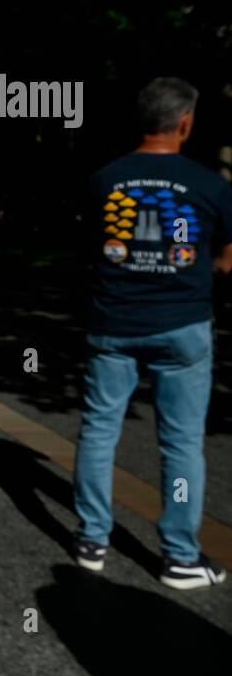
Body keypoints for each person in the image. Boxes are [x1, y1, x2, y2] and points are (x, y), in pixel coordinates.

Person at [73, 76, 232, 589]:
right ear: (184, 123)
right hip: (182, 328)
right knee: (182, 444)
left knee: (99, 431)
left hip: (112, 326)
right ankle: (180, 557)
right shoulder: (211, 185)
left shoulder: (103, 180)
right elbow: (227, 260)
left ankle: (92, 539)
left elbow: (85, 251)